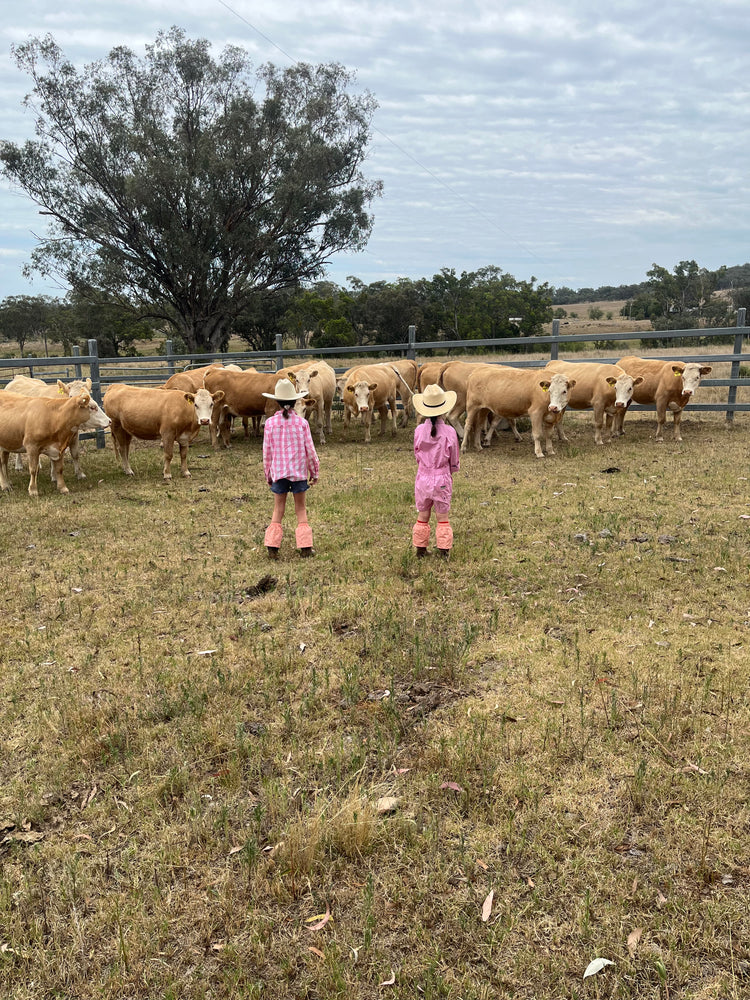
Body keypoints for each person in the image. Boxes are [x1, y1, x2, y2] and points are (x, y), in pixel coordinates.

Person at [261, 378, 320, 559]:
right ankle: (305, 547)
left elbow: (267, 453)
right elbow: (310, 450)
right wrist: (314, 471)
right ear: (296, 401)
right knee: (300, 509)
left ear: (277, 402)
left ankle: (272, 546)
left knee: (278, 509)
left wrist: (268, 474)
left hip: (278, 473)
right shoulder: (302, 424)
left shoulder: (270, 424)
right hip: (299, 473)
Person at [410, 383, 460, 559]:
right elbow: (454, 458)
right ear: (444, 410)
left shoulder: (418, 430)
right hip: (442, 478)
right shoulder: (449, 432)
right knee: (442, 516)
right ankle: (444, 551)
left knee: (423, 514)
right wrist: (453, 469)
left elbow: (417, 454)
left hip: (422, 477)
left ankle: (420, 549)